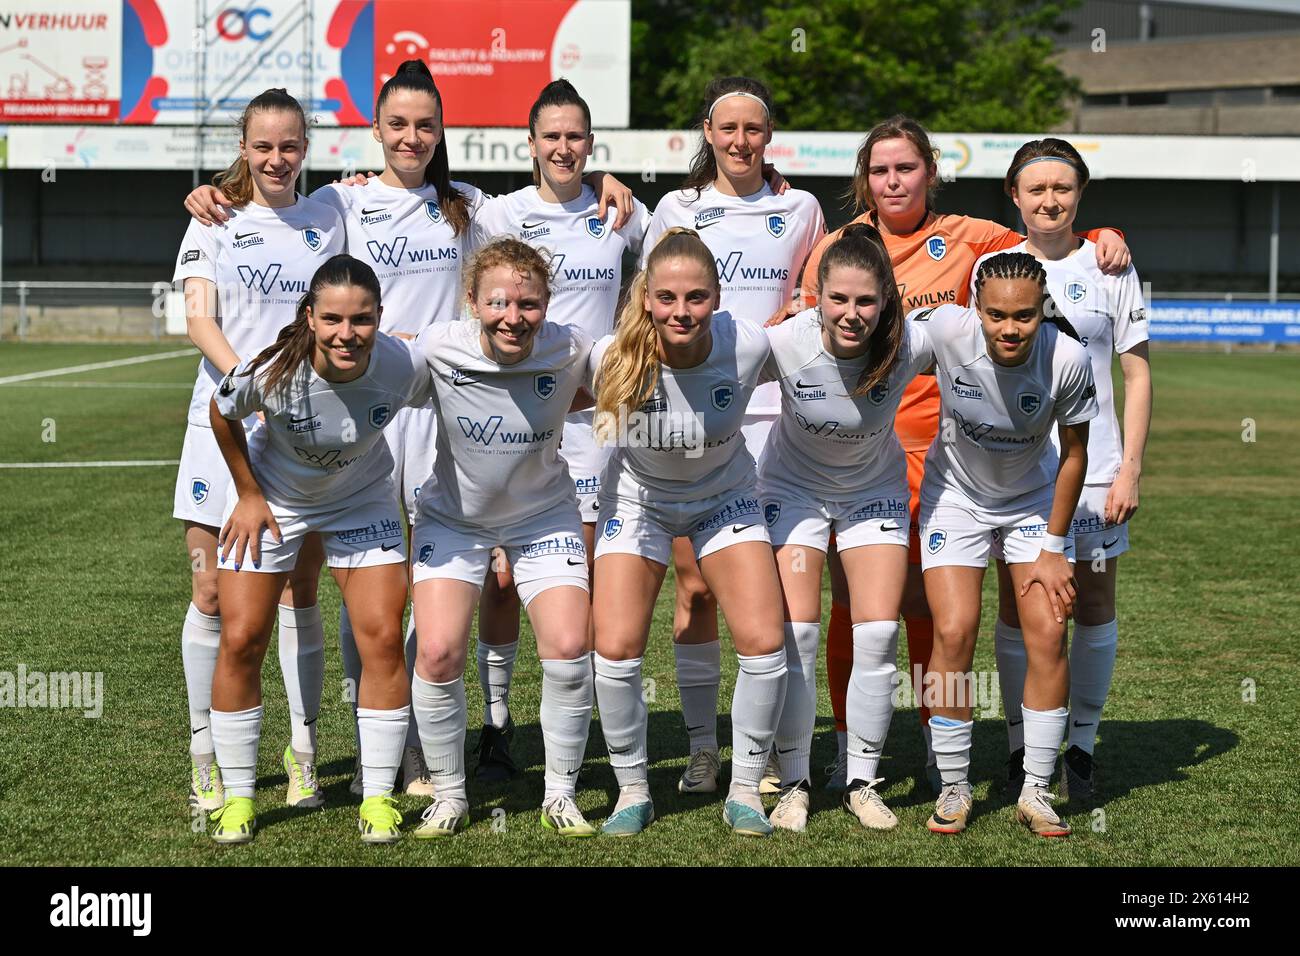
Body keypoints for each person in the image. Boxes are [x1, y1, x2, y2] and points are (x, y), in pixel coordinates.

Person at [182, 62, 637, 797]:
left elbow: (553, 193)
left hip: (435, 412)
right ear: (377, 130)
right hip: (344, 415)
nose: (412, 137)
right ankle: (321, 753)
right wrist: (217, 189)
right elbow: (271, 200)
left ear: (441, 133)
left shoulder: (469, 207)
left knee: (413, 588)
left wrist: (605, 176)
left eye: (426, 125)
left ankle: (421, 752)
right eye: (398, 124)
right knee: (304, 587)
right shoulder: (342, 200)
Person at [796, 115, 1130, 791]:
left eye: (907, 168)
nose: (894, 181)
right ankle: (843, 749)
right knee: (855, 605)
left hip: (946, 455)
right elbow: (811, 332)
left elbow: (1045, 246)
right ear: (865, 176)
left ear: (930, 173)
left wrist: (1100, 239)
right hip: (861, 454)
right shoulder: (837, 245)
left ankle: (931, 746)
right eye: (881, 169)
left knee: (928, 609)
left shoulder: (973, 238)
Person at [205, 254, 433, 844]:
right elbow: (220, 410)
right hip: (277, 499)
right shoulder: (273, 370)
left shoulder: (402, 365)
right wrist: (249, 494)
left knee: (381, 636)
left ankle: (379, 798)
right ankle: (238, 798)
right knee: (241, 638)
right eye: (331, 318)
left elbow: (462, 396)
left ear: (380, 318)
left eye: (361, 320)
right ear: (309, 317)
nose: (346, 334)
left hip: (362, 499)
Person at [642, 77, 825, 795]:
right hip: (697, 416)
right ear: (708, 133)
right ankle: (699, 747)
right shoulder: (676, 209)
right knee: (695, 590)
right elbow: (651, 302)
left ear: (768, 135)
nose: (741, 141)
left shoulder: (800, 207)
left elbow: (810, 302)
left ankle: (779, 751)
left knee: (776, 592)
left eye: (754, 129)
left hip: (778, 415)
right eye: (728, 129)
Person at [465, 79, 650, 781]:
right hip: (518, 421)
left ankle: (580, 727)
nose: (564, 147)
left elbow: (663, 272)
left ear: (591, 144)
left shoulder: (624, 214)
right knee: (505, 581)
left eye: (576, 136)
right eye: (552, 136)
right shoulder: (498, 214)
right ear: (532, 143)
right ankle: (497, 724)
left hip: (597, 423)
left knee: (590, 579)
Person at [172, 88, 345, 814]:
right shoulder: (213, 218)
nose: (278, 159)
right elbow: (197, 316)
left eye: (291, 145)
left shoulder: (332, 214)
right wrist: (251, 383)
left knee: (298, 592)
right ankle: (203, 749)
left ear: (307, 148)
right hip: (223, 421)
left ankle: (303, 749)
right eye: (264, 146)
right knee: (211, 593)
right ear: (244, 148)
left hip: (304, 428)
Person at [590, 228, 788, 837]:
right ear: (646, 296)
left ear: (719, 297)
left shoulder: (750, 344)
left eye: (697, 297)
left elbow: (825, 350)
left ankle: (746, 786)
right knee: (617, 647)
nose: (682, 312)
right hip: (638, 502)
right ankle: (631, 791)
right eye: (668, 297)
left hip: (724, 500)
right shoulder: (608, 355)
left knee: (763, 640)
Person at [974, 139, 1151, 801]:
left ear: (1080, 194)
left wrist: (1131, 466)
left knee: (1095, 602)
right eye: (1036, 189)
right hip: (1019, 478)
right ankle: (1022, 746)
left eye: (1063, 188)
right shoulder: (991, 265)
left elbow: (1135, 374)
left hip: (1097, 473)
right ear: (1014, 197)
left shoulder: (1113, 266)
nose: (1050, 200)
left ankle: (1080, 744)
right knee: (1023, 611)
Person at [406, 238, 596, 838]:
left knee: (568, 649)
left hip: (544, 518)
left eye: (530, 303)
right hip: (453, 522)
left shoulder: (571, 349)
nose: (514, 318)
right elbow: (371, 379)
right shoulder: (437, 348)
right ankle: (449, 794)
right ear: (472, 302)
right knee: (436, 654)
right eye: (498, 303)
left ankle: (561, 794)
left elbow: (613, 391)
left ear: (547, 304)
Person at [758, 223, 933, 832]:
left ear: (886, 300)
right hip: (793, 492)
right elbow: (708, 367)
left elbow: (992, 333)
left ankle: (863, 779)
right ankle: (795, 780)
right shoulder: (784, 343)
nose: (852, 314)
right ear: (816, 297)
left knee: (880, 632)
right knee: (797, 634)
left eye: (865, 301)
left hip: (872, 495)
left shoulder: (910, 342)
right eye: (839, 299)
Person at [917, 251, 1097, 838]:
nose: (1010, 329)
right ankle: (952, 786)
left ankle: (1037, 790)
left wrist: (1052, 545)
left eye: (1024, 315)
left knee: (1048, 630)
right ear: (975, 306)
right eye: (996, 315)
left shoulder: (1067, 357)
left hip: (1031, 502)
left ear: (1042, 310)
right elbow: (881, 349)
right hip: (955, 498)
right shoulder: (947, 330)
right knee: (952, 631)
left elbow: (1074, 455)